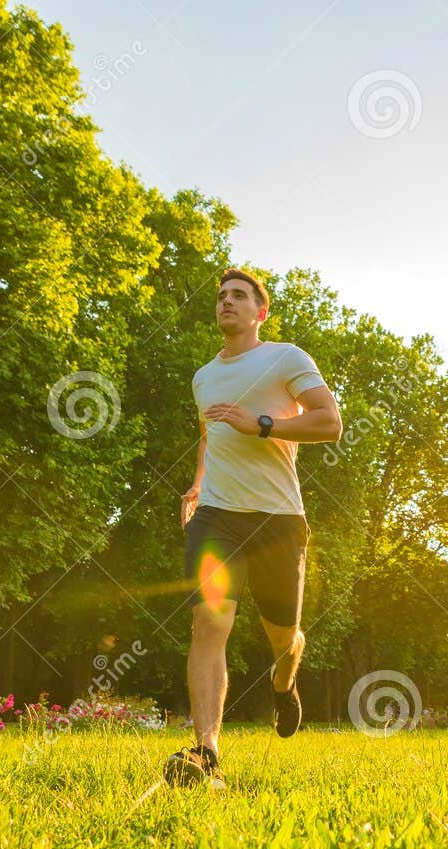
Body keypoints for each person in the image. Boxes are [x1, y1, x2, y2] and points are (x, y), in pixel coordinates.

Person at [164, 268, 342, 788]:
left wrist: (264, 425)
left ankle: (283, 685)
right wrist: (197, 484)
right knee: (208, 625)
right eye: (221, 296)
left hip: (278, 521)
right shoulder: (202, 376)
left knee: (284, 638)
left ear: (260, 312)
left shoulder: (286, 358)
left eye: (239, 296)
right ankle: (206, 753)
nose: (227, 302)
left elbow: (330, 422)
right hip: (217, 516)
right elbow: (209, 434)